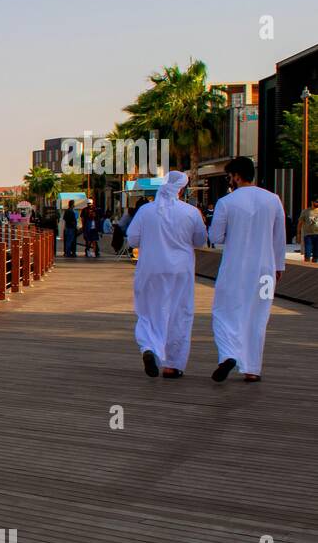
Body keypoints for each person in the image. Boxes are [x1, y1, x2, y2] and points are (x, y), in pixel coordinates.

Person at [207, 157, 287, 383]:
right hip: (266, 270)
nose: (229, 181)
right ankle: (252, 368)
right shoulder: (273, 200)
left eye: (229, 177)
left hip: (235, 269)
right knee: (259, 316)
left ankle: (229, 355)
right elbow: (279, 238)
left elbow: (215, 237)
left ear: (237, 176)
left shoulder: (226, 202)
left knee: (224, 312)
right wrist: (278, 266)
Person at [124, 172, 206, 378]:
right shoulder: (191, 212)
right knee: (179, 313)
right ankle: (172, 364)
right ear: (182, 189)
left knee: (148, 312)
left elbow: (133, 239)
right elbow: (200, 241)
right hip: (180, 270)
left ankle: (149, 348)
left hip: (150, 268)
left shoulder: (146, 211)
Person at [298, 198, 318, 263]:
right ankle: (307, 265)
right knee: (307, 252)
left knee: (316, 253)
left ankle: (314, 267)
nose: (317, 203)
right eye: (316, 201)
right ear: (312, 202)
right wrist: (298, 233)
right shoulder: (305, 211)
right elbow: (300, 223)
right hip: (308, 234)